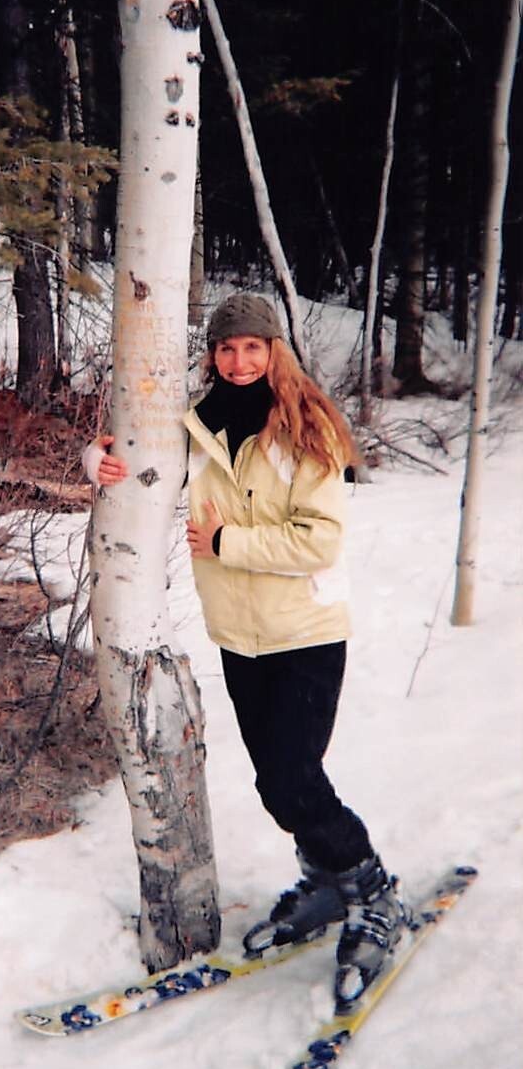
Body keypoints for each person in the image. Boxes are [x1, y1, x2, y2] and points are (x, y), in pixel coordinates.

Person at [83, 291, 405, 1008]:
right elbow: (138, 463)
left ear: (273, 351)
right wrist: (97, 459)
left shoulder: (306, 425)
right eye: (227, 348)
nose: (238, 361)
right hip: (238, 635)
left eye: (252, 347)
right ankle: (327, 878)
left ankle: (372, 887)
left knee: (295, 776)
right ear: (213, 354)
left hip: (305, 630)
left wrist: (229, 542)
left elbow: (319, 536)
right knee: (273, 783)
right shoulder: (195, 426)